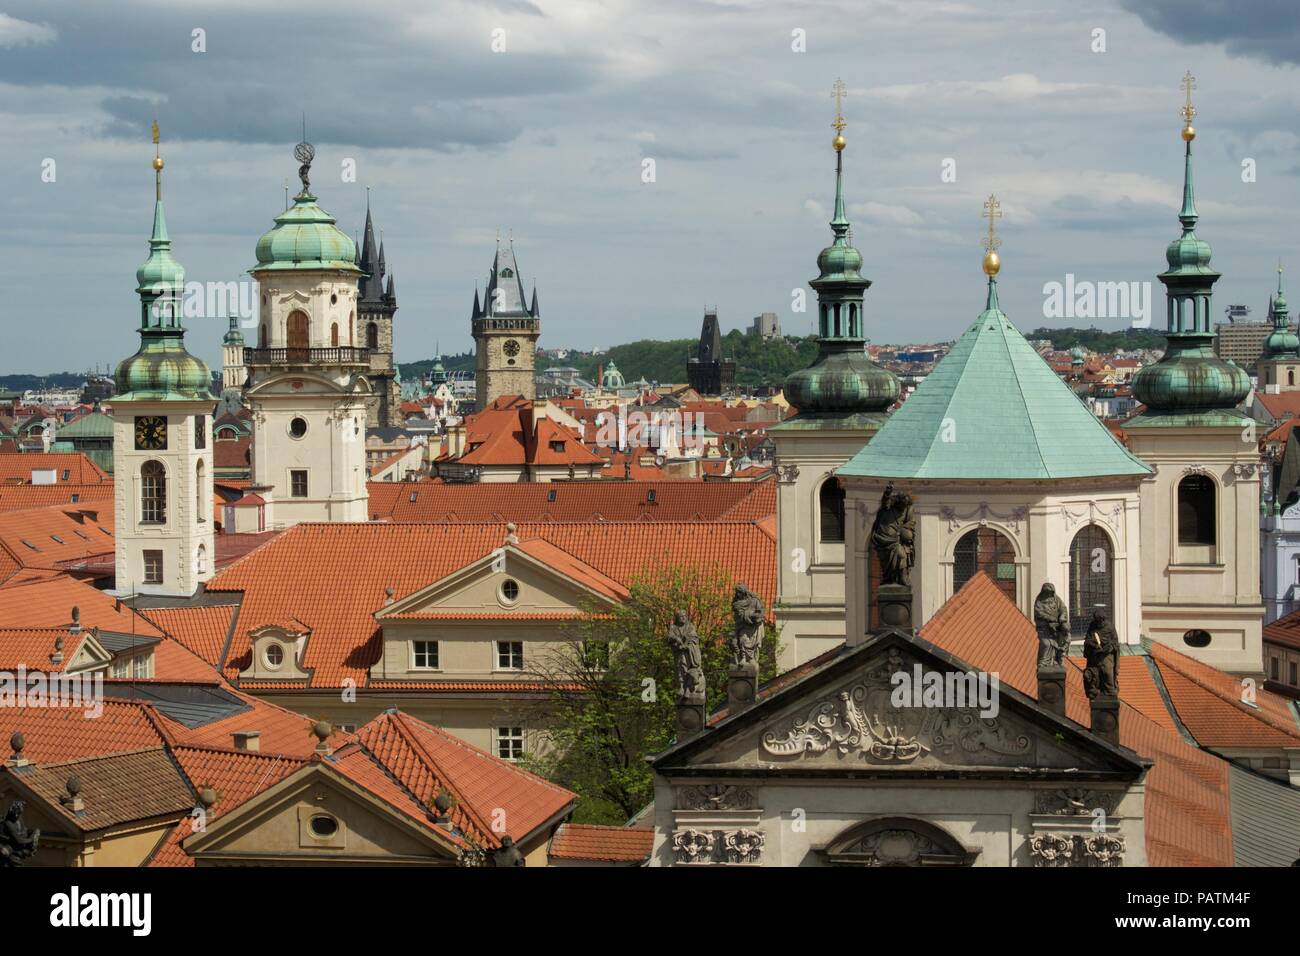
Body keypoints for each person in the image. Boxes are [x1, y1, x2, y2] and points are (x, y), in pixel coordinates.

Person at [666, 610, 705, 703]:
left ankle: (689, 687)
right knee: (680, 667)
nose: (683, 618)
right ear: (677, 618)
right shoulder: (673, 627)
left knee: (690, 669)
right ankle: (682, 686)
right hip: (679, 652)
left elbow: (694, 637)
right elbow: (669, 637)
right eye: (681, 616)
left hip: (689, 654)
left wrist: (687, 644)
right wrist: (676, 639)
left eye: (684, 616)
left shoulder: (690, 626)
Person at [1083, 608, 1119, 698]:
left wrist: (1106, 649)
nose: (1099, 623)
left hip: (1107, 654)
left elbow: (1114, 643)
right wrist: (1093, 644)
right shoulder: (1092, 626)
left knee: (1107, 671)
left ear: (1103, 620)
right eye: (1097, 621)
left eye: (1100, 621)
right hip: (1095, 654)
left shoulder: (1110, 627)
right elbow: (1088, 639)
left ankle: (1110, 691)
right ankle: (1094, 690)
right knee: (1090, 674)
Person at [1033, 583, 1070, 668]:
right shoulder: (1039, 601)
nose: (1048, 595)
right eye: (1046, 593)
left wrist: (1061, 618)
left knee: (1060, 642)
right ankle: (1043, 662)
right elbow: (1039, 613)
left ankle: (1057, 660)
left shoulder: (1057, 600)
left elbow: (1063, 609)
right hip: (1044, 628)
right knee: (1046, 644)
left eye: (1050, 593)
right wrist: (1049, 618)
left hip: (1056, 628)